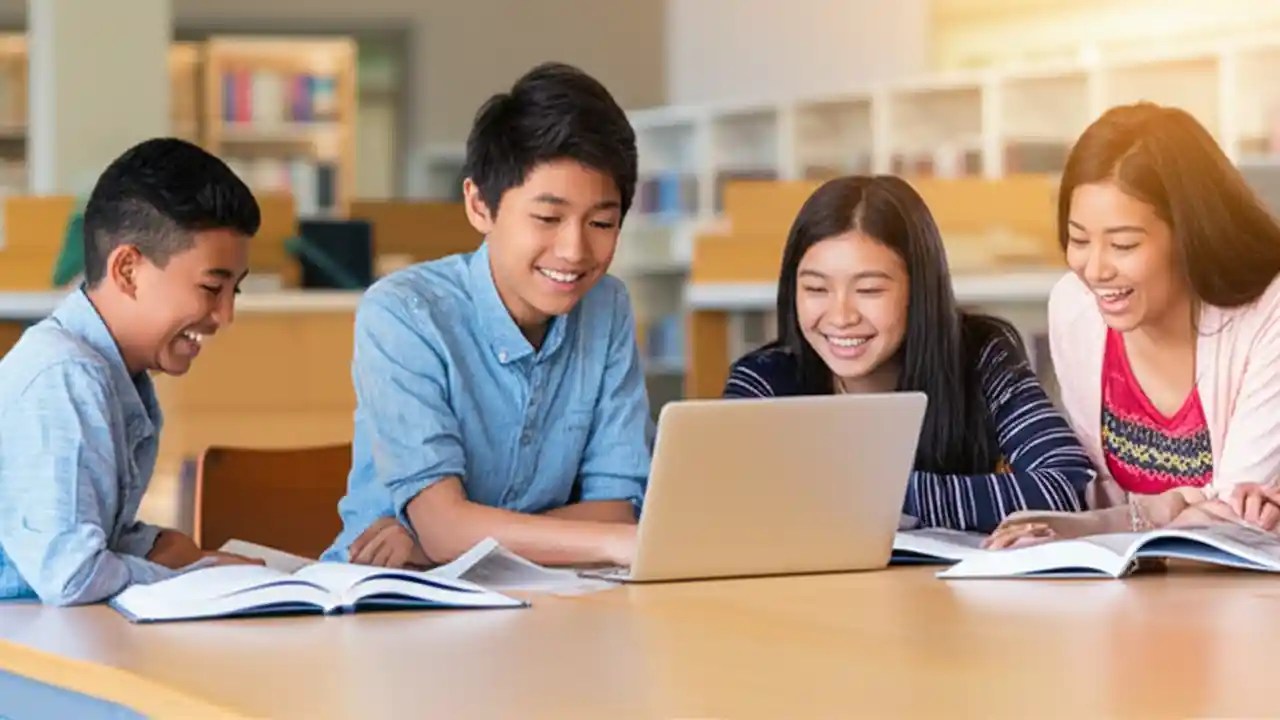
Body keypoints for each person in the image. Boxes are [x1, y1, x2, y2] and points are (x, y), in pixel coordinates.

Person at [323, 62, 652, 569]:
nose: (574, 250)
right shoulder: (405, 312)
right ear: (480, 205)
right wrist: (448, 538)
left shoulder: (606, 307)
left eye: (602, 222)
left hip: (547, 602)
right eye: (547, 218)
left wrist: (446, 547)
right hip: (392, 604)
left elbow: (616, 510)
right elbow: (445, 525)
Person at [723, 175, 1095, 533]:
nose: (841, 317)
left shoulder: (981, 357)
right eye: (816, 289)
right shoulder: (765, 382)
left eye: (868, 290)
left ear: (919, 291)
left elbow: (1066, 488)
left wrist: (874, 494)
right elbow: (714, 503)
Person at [987, 102, 1280, 549]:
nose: (1095, 269)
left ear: (1189, 234)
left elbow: (1237, 515)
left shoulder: (1268, 311)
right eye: (1079, 239)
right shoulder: (1075, 308)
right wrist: (1168, 509)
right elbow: (1099, 489)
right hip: (1132, 586)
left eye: (1123, 244)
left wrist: (1131, 518)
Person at [0, 137, 264, 606]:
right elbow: (72, 574)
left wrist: (160, 546)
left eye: (234, 293)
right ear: (127, 270)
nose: (225, 317)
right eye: (210, 288)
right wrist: (196, 577)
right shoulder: (65, 376)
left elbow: (82, 532)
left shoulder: (118, 378)